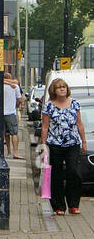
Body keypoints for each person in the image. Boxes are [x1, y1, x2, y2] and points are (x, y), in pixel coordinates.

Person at [40, 78, 88, 216]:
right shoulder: (49, 106)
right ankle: (59, 206)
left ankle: (73, 204)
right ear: (54, 91)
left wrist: (83, 141)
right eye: (59, 87)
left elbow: (79, 124)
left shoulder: (75, 104)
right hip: (55, 144)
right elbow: (45, 126)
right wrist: (43, 145)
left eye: (64, 87)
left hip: (72, 143)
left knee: (73, 172)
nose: (62, 89)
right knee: (57, 175)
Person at [1, 74, 22, 159]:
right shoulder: (15, 86)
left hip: (1, 113)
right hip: (11, 112)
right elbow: (20, 99)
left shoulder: (0, 86)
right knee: (14, 133)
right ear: (10, 78)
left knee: (6, 134)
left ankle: (9, 152)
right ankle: (15, 152)